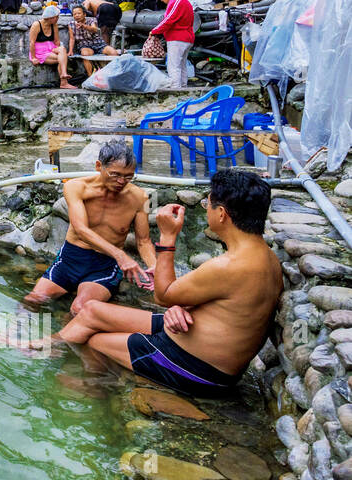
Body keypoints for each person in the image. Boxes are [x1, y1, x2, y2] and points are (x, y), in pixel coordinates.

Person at [39, 169, 281, 397]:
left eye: (208, 203)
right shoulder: (266, 257)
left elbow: (163, 296)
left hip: (196, 367)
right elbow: (220, 303)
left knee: (95, 341)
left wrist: (167, 237)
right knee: (91, 311)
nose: (207, 208)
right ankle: (47, 346)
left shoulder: (230, 265)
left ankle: (99, 390)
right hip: (187, 337)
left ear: (222, 214)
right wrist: (180, 307)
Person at [25, 140, 155, 313]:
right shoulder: (74, 187)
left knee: (79, 309)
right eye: (115, 174)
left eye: (128, 176)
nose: (121, 181)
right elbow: (81, 229)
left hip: (105, 265)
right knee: (33, 300)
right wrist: (121, 255)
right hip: (71, 258)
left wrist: (154, 266)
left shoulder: (142, 197)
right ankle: (13, 334)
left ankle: (59, 339)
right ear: (98, 166)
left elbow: (144, 241)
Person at [149, 0, 195, 89]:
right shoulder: (182, 1)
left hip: (178, 38)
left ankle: (175, 90)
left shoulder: (177, 2)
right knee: (181, 65)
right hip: (186, 38)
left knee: (173, 66)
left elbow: (169, 19)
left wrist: (155, 31)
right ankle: (183, 88)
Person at [26, 5, 77, 89]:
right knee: (61, 59)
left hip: (51, 48)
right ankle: (64, 82)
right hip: (39, 51)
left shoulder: (54, 25)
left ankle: (64, 74)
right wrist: (34, 58)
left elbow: (57, 41)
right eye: (56, 17)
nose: (57, 19)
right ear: (50, 17)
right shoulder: (36, 25)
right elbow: (32, 42)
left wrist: (60, 51)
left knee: (62, 50)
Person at [67, 6, 118, 76]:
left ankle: (111, 74)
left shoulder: (92, 20)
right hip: (84, 45)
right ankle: (90, 76)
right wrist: (70, 51)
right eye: (74, 14)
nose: (77, 15)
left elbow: (94, 29)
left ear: (84, 14)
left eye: (79, 13)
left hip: (98, 43)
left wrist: (84, 26)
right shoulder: (71, 24)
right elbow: (72, 38)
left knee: (113, 52)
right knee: (85, 54)